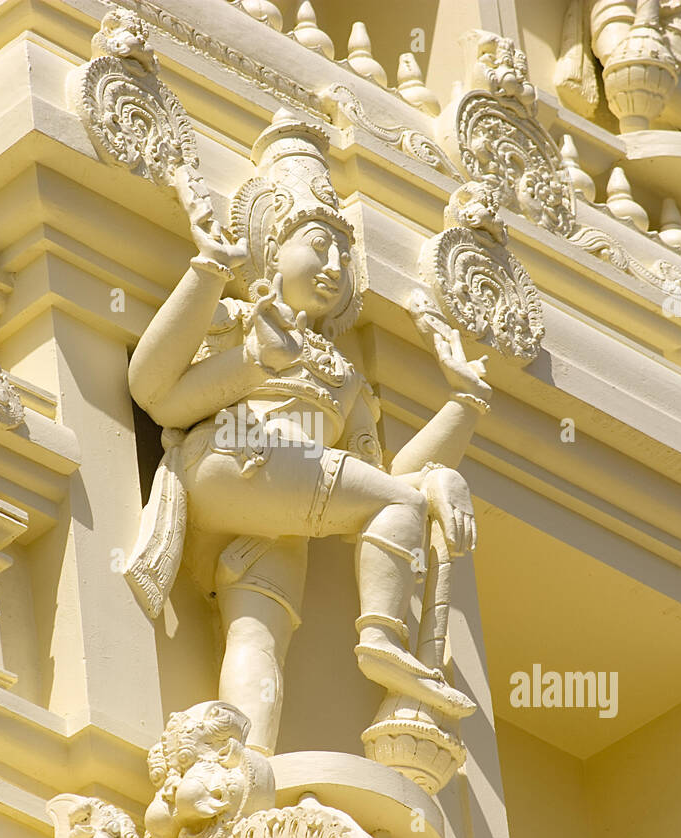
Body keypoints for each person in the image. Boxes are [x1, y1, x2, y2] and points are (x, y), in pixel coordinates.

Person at [128, 111, 491, 753]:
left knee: (259, 635)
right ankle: (380, 637)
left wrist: (464, 404)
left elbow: (389, 487)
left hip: (283, 510)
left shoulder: (345, 376)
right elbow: (156, 392)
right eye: (318, 242)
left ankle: (247, 768)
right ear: (272, 247)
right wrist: (212, 279)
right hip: (233, 454)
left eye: (344, 253)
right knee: (396, 502)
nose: (334, 263)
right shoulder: (244, 317)